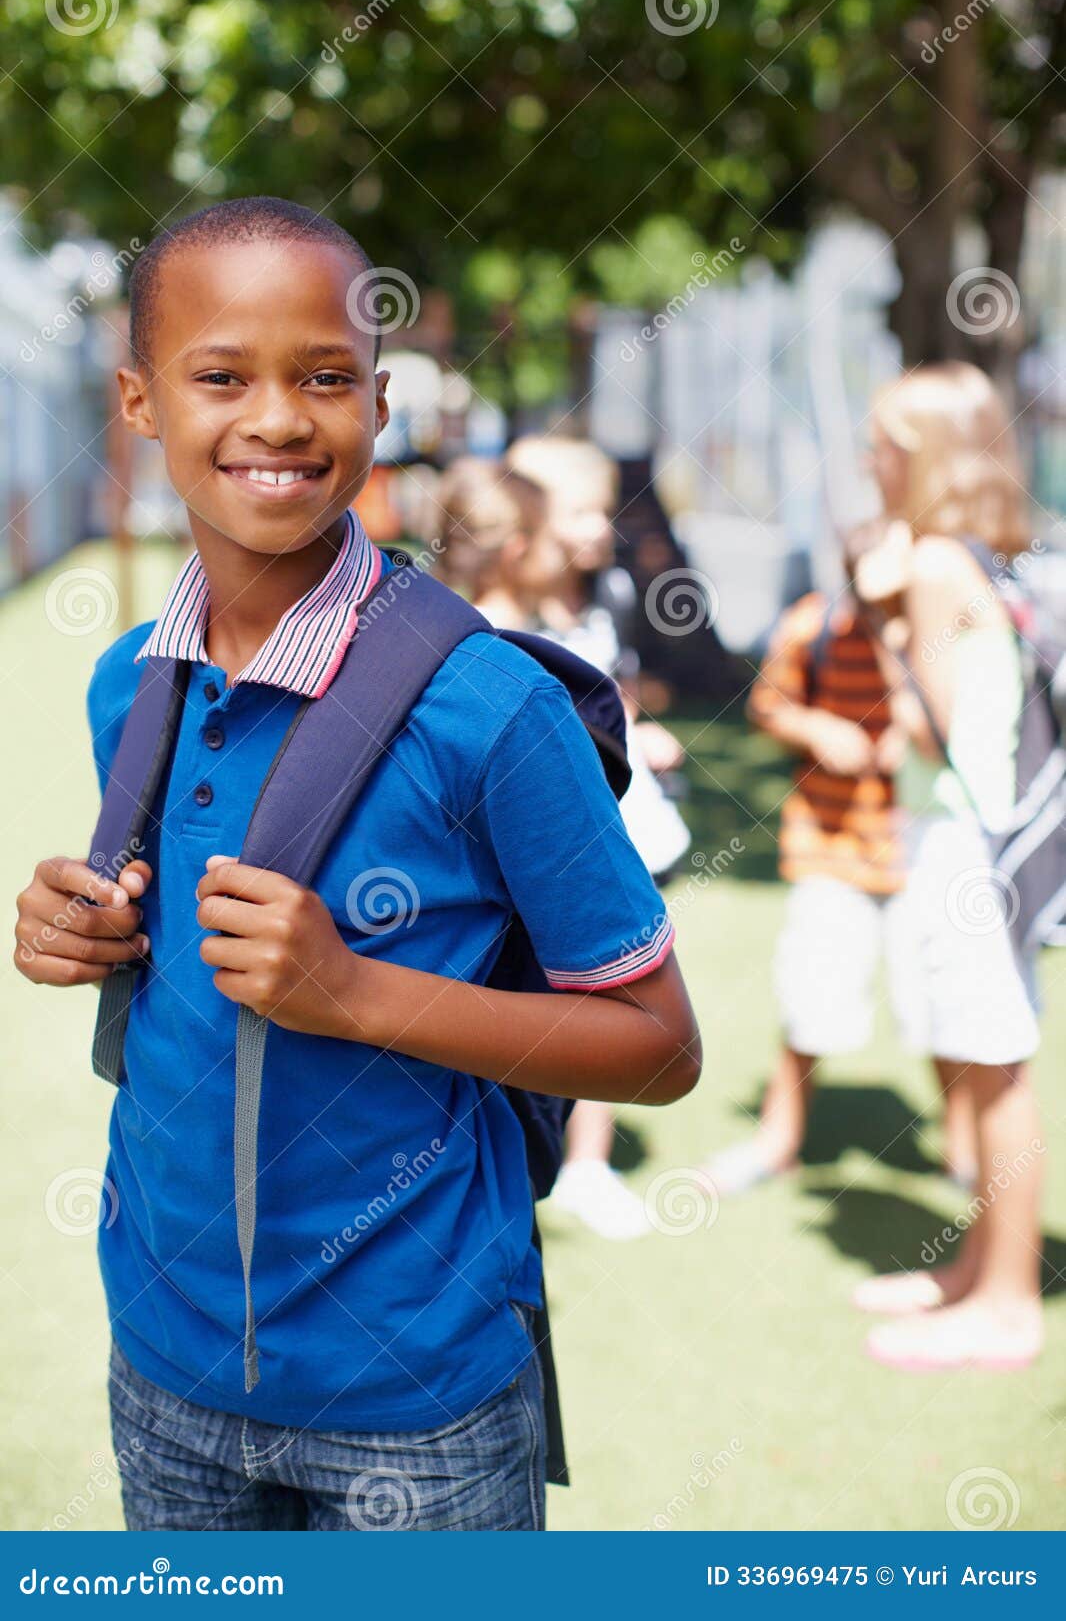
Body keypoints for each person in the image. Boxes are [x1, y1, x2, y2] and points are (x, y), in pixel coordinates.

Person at [12, 197, 701, 1531]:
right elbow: (173, 963)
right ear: (139, 401)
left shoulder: (490, 709)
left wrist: (353, 990)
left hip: (416, 1399)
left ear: (379, 404)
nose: (277, 418)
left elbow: (658, 1044)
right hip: (161, 1360)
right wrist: (80, 930)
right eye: (221, 376)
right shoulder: (127, 684)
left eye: (325, 377)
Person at [851, 361, 1043, 1371]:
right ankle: (977, 1270)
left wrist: (882, 612)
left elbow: (924, 725)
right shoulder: (981, 553)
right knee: (979, 1059)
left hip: (963, 840)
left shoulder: (929, 565)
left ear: (921, 457)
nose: (868, 459)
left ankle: (1007, 1304)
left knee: (993, 1066)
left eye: (883, 443)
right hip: (986, 838)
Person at [701, 524, 977, 1195]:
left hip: (921, 849)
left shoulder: (936, 632)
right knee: (811, 995)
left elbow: (961, 723)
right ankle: (779, 1141)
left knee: (941, 1006)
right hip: (830, 844)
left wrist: (901, 672)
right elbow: (768, 705)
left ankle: (967, 1153)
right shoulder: (812, 626)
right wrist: (816, 727)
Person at [496, 437, 692, 1240]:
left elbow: (613, 699)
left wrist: (637, 732)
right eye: (579, 512)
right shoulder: (502, 624)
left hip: (619, 831)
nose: (598, 529)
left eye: (602, 511)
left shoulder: (604, 597)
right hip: (544, 843)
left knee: (615, 988)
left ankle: (588, 1161)